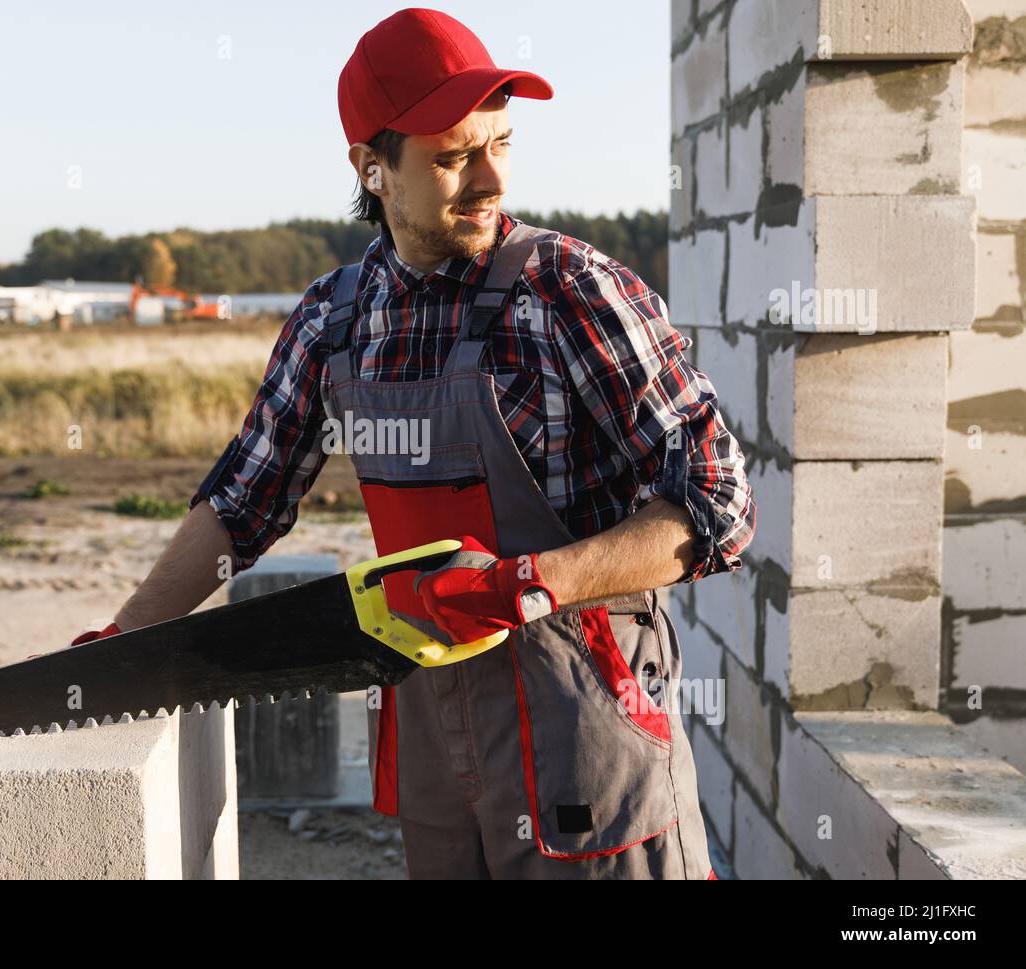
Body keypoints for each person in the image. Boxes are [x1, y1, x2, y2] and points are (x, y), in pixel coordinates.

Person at [87, 7, 755, 879]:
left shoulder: (571, 293)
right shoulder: (335, 319)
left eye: (500, 144)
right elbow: (243, 503)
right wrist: (120, 644)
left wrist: (529, 582)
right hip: (437, 737)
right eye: (451, 157)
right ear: (373, 168)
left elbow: (719, 501)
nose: (490, 179)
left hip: (587, 734)